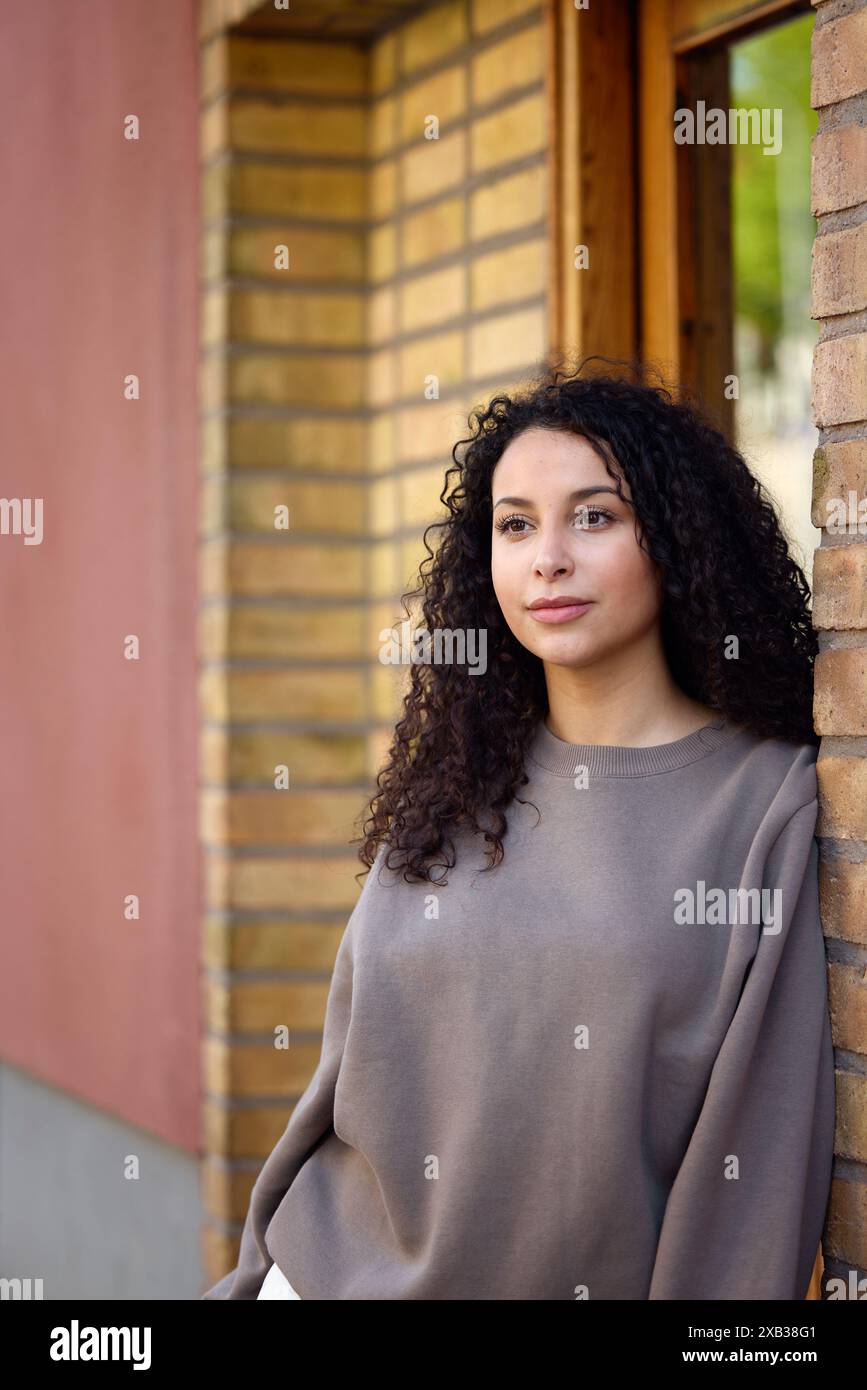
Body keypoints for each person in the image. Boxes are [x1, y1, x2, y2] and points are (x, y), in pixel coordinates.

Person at [202, 356, 835, 1301]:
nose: (547, 558)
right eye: (514, 525)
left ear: (674, 537)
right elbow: (345, 1077)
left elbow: (758, 1170)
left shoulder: (763, 804)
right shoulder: (456, 783)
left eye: (594, 516)